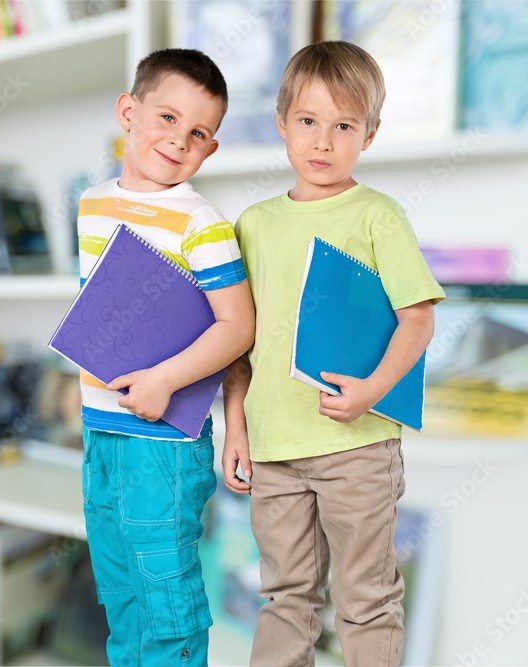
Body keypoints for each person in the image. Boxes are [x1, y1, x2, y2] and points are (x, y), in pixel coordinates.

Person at [222, 41, 446, 667]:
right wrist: (235, 428)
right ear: (282, 124)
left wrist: (371, 391)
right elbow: (239, 340)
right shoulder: (253, 224)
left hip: (357, 450)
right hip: (273, 448)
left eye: (344, 126)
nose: (323, 142)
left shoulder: (378, 216)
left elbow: (418, 320)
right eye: (309, 122)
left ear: (369, 135)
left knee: (366, 598)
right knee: (285, 597)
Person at [77, 48, 255, 666]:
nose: (179, 141)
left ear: (211, 149)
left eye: (199, 133)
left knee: (168, 611)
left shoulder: (202, 222)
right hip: (100, 432)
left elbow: (238, 326)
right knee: (121, 600)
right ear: (130, 111)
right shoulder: (92, 204)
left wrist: (163, 380)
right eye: (167, 119)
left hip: (164, 446)